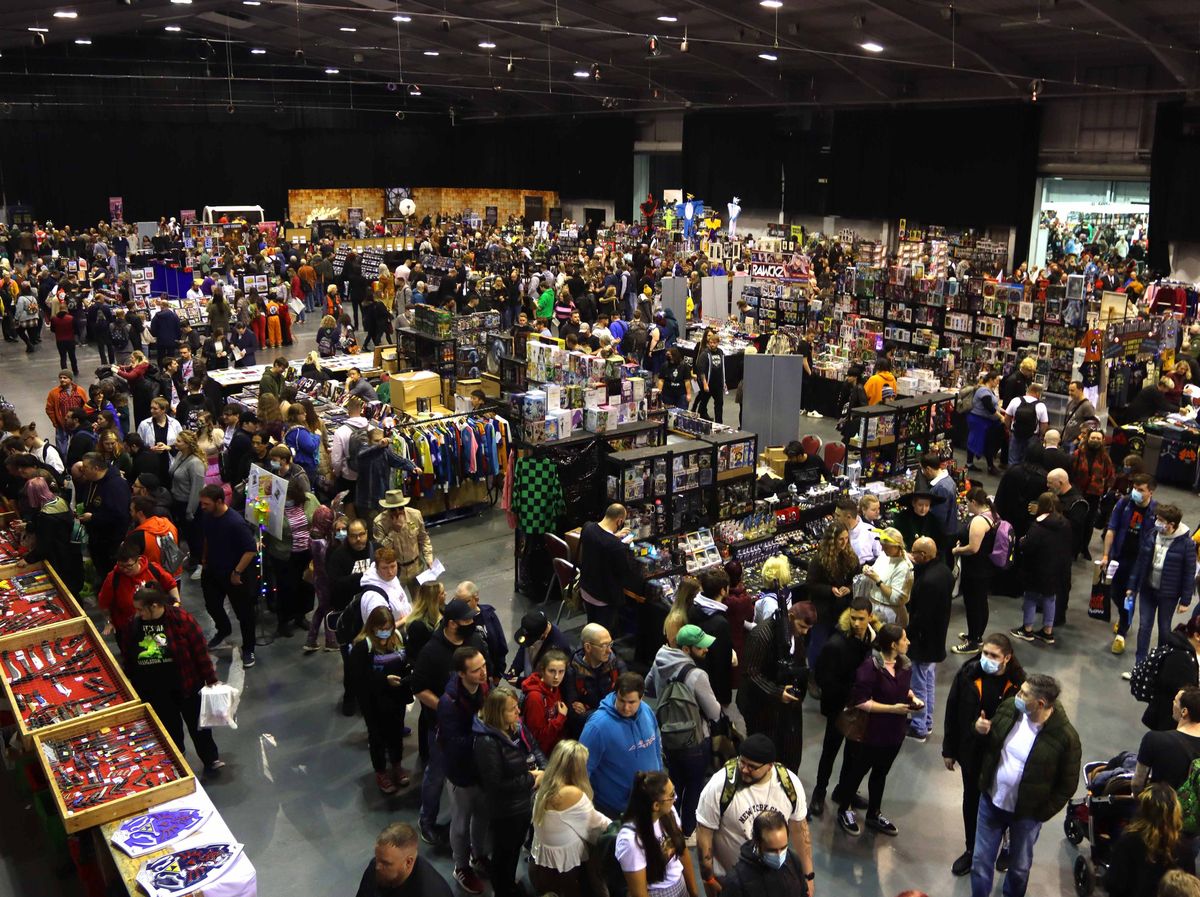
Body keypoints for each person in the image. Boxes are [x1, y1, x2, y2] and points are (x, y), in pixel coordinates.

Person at [969, 673, 1082, 897]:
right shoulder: (1009, 708)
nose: (1017, 695)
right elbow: (990, 745)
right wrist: (980, 730)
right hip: (991, 802)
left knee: (1019, 869)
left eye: (1023, 694)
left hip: (1026, 816)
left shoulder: (1066, 738)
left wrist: (1041, 813)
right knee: (980, 862)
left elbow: (1067, 785)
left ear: (1040, 703)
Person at [943, 633, 1026, 876]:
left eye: (994, 656)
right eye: (984, 653)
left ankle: (1006, 847)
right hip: (971, 754)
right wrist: (949, 749)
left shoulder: (1019, 686)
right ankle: (971, 849)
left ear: (1007, 658)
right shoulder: (968, 675)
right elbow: (952, 710)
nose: (987, 659)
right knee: (971, 802)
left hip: (1003, 760)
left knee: (1003, 805)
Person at [118, 584, 224, 775]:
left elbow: (199, 652)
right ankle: (177, 761)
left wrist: (211, 680)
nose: (138, 614)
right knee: (168, 729)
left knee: (199, 726)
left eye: (141, 609)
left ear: (155, 605)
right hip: (155, 690)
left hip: (187, 685)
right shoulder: (133, 625)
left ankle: (210, 759)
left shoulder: (181, 620)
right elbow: (128, 656)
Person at [411, 600, 490, 848]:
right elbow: (418, 687)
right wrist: (448, 710)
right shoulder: (431, 651)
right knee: (436, 774)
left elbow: (486, 675)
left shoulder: (474, 641)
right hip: (442, 727)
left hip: (475, 724)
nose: (472, 623)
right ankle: (427, 821)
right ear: (453, 624)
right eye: (467, 620)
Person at [834, 624, 920, 837]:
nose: (908, 642)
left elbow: (903, 688)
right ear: (893, 645)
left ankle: (874, 813)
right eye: (904, 639)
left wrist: (912, 697)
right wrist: (892, 709)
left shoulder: (904, 664)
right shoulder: (870, 668)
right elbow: (860, 701)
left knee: (881, 773)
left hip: (894, 733)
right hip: (870, 733)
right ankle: (844, 809)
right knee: (857, 772)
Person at [695, 735, 813, 888]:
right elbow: (704, 833)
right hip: (730, 881)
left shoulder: (790, 785)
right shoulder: (719, 786)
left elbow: (799, 830)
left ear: (769, 766)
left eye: (752, 766)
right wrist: (709, 879)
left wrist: (808, 876)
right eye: (742, 762)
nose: (744, 769)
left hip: (772, 880)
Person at [644, 624, 723, 837]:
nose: (705, 650)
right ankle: (688, 831)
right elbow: (714, 711)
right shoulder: (696, 675)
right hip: (695, 742)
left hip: (667, 737)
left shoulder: (660, 659)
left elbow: (648, 687)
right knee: (694, 786)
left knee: (674, 785)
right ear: (687, 649)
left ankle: (669, 827)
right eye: (700, 647)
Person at [473, 688, 547, 897]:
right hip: (506, 810)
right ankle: (503, 890)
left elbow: (535, 749)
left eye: (517, 707)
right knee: (503, 854)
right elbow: (495, 785)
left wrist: (544, 769)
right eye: (512, 709)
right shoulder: (487, 742)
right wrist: (531, 779)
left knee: (514, 849)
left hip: (523, 802)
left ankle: (509, 885)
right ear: (498, 713)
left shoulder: (517, 726)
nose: (518, 712)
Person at [810, 599, 875, 818]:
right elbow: (822, 677)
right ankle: (819, 792)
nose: (856, 623)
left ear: (870, 617)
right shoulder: (836, 643)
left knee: (853, 754)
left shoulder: (873, 639)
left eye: (861, 619)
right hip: (838, 707)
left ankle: (844, 791)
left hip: (860, 708)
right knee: (830, 751)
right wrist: (849, 694)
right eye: (853, 618)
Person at [438, 645, 491, 895]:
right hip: (460, 773)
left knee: (482, 816)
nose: (483, 672)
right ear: (461, 673)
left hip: (482, 769)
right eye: (476, 670)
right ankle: (461, 867)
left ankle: (478, 855)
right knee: (460, 824)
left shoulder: (483, 688)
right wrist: (485, 735)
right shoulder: (449, 703)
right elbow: (453, 743)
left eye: (484, 666)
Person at [530, 739, 612, 897]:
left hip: (541, 866)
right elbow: (598, 824)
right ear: (577, 768)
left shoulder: (546, 782)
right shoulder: (571, 794)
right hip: (564, 873)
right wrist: (623, 828)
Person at [580, 671, 664, 817]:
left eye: (631, 702)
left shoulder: (647, 711)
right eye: (621, 701)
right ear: (615, 694)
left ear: (641, 698)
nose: (626, 708)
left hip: (648, 802)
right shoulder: (597, 727)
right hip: (613, 810)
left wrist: (660, 781)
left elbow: (656, 748)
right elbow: (580, 770)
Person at [349, 605, 413, 795]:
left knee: (396, 733)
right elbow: (358, 677)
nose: (385, 632)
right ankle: (381, 773)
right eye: (381, 628)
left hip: (396, 697)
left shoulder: (398, 638)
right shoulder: (363, 646)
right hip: (373, 701)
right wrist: (384, 680)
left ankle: (397, 765)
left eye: (388, 628)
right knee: (377, 737)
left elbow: (405, 662)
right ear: (372, 627)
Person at [197, 484, 259, 668]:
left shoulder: (235, 523)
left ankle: (249, 649)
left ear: (219, 501)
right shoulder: (208, 516)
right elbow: (207, 537)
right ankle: (224, 628)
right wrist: (204, 558)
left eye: (206, 504)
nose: (202, 507)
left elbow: (250, 550)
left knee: (244, 614)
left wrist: (237, 572)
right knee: (212, 604)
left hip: (234, 575)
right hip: (212, 571)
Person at [1127, 503, 1197, 667]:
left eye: (1160, 520)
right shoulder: (1152, 535)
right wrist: (1132, 585)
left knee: (1164, 629)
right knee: (1144, 626)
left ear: (1171, 524)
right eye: (1157, 518)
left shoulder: (1186, 544)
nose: (1156, 522)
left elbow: (1189, 573)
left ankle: (1159, 664)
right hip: (1147, 589)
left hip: (1168, 594)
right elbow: (1140, 561)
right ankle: (1140, 664)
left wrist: (1185, 600)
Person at [617, 770, 700, 897]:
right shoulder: (630, 841)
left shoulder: (668, 812)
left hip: (679, 883)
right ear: (656, 806)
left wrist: (694, 892)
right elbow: (639, 893)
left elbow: (682, 850)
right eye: (672, 795)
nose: (675, 799)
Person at [1106, 783, 1196, 897]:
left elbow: (1113, 884)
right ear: (1175, 812)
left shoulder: (1128, 841)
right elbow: (1189, 888)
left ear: (1143, 810)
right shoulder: (1184, 845)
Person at [1103, 473, 1159, 655]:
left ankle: (1121, 634)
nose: (1136, 492)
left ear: (1150, 492)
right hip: (1118, 556)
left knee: (1130, 595)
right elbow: (1111, 529)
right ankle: (1123, 616)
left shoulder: (1156, 511)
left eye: (1140, 489)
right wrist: (1106, 555)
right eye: (1134, 488)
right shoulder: (1124, 503)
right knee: (1114, 592)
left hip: (1139, 562)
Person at [1010, 492, 1073, 646]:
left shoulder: (1038, 525)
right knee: (1050, 598)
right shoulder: (1065, 524)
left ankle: (1027, 629)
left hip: (1036, 569)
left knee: (1030, 597)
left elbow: (1027, 545)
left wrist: (1022, 541)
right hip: (1057, 569)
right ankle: (1047, 631)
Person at [907, 536, 953, 741]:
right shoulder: (944, 571)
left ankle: (919, 727)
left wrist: (907, 634)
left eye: (914, 552)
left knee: (918, 684)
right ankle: (926, 721)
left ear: (924, 555)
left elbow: (921, 616)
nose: (911, 554)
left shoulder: (928, 581)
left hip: (923, 641)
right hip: (936, 638)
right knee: (928, 681)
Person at [951, 488, 1001, 655]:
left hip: (976, 569)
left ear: (973, 502)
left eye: (967, 503)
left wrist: (957, 550)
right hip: (986, 568)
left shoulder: (979, 521)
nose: (967, 507)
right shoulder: (993, 515)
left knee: (973, 604)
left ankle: (973, 641)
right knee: (980, 602)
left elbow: (973, 548)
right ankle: (976, 635)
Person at [719, 809, 812, 897]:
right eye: (772, 850)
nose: (779, 855)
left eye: (783, 848)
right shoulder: (736, 882)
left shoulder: (793, 860)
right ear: (757, 843)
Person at [98, 539, 180, 636]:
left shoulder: (153, 569)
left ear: (138, 560)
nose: (125, 570)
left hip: (158, 624)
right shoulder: (113, 578)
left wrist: (177, 604)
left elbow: (171, 585)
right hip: (128, 629)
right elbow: (104, 603)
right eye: (121, 566)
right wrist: (108, 622)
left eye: (129, 566)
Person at [16, 476, 82, 596]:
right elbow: (50, 526)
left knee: (65, 588)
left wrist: (28, 559)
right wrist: (27, 526)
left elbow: (44, 545)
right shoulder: (59, 500)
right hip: (70, 550)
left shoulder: (46, 516)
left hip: (59, 556)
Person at [356, 822, 452, 897]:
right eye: (377, 858)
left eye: (386, 863)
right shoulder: (376, 867)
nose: (377, 867)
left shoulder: (433, 892)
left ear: (408, 862)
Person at [1139, 616, 1200, 732]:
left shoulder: (1191, 653)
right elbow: (1181, 694)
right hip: (1171, 721)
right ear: (1197, 636)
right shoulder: (1180, 657)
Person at [1133, 686, 1200, 792]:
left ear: (1184, 711)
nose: (1173, 703)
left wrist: (1139, 799)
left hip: (1161, 801)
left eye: (1175, 701)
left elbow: (1137, 784)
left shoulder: (1154, 739)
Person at [578, 503, 633, 630]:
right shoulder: (615, 545)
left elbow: (599, 540)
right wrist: (623, 546)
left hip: (586, 589)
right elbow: (623, 572)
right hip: (603, 597)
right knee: (604, 633)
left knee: (591, 627)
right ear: (619, 521)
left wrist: (614, 536)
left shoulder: (587, 527)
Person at [78, 451, 132, 576]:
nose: (82, 469)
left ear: (96, 468)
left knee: (109, 572)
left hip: (110, 541)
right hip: (96, 537)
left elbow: (120, 515)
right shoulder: (92, 480)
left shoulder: (116, 486)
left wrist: (93, 518)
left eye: (85, 467)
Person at [689, 568, 736, 707]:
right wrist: (725, 698)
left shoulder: (693, 608)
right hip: (714, 685)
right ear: (723, 591)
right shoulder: (720, 624)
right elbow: (722, 664)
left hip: (697, 675)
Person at [372, 491, 433, 595]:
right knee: (396, 601)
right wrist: (394, 532)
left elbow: (423, 538)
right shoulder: (379, 522)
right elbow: (381, 551)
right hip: (395, 570)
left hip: (416, 567)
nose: (397, 512)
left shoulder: (415, 515)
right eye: (393, 509)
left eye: (400, 508)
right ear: (387, 508)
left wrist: (429, 558)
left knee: (420, 601)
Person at [1071, 429, 1115, 558]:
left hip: (1094, 495)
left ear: (1102, 440)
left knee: (1089, 522)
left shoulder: (1105, 457)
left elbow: (1110, 475)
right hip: (1078, 493)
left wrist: (1105, 489)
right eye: (1093, 437)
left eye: (1098, 438)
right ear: (1088, 438)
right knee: (1077, 522)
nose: (1095, 440)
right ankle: (1074, 548)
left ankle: (1085, 548)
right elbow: (1071, 471)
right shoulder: (1078, 453)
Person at [303, 506, 338, 653]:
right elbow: (326, 563)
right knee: (328, 609)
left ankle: (311, 640)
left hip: (318, 578)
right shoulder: (321, 543)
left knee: (321, 608)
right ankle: (330, 641)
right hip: (324, 579)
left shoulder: (313, 536)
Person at [523, 649, 571, 757]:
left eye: (561, 672)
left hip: (556, 749)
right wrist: (561, 717)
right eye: (552, 671)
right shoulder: (535, 697)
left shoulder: (554, 688)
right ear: (542, 670)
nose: (556, 677)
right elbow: (537, 737)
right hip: (543, 756)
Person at [863, 528, 913, 626]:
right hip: (874, 607)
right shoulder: (884, 555)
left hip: (891, 613)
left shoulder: (904, 567)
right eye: (882, 546)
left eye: (886, 547)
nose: (882, 549)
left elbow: (896, 598)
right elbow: (875, 570)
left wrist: (878, 580)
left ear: (897, 546)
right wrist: (868, 569)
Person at [330, 395, 370, 509]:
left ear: (348, 410)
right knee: (365, 505)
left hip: (348, 476)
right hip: (367, 474)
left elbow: (336, 461)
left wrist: (337, 473)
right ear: (361, 409)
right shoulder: (371, 428)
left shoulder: (340, 432)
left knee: (349, 505)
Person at [510, 608, 571, 681]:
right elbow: (524, 648)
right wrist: (514, 671)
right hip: (529, 680)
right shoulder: (533, 628)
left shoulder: (560, 647)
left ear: (543, 634)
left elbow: (554, 680)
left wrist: (521, 682)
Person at [1003, 381, 1049, 466]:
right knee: (1028, 461)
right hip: (1032, 436)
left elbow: (1007, 417)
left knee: (1013, 459)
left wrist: (1009, 430)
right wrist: (1040, 435)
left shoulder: (1015, 400)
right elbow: (1044, 424)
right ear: (1038, 393)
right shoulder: (1041, 405)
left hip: (1016, 433)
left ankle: (1012, 472)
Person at [966, 370, 1003, 473]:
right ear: (991, 380)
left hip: (984, 421)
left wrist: (1004, 411)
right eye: (996, 380)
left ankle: (988, 465)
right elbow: (989, 408)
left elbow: (994, 406)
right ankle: (969, 464)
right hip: (978, 420)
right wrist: (1001, 417)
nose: (998, 383)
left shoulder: (988, 390)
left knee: (984, 442)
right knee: (974, 442)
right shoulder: (983, 391)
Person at [44, 370, 88, 457]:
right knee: (61, 450)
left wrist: (83, 421)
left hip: (77, 424)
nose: (62, 380)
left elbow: (85, 406)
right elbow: (49, 409)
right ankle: (62, 463)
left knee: (78, 446)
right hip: (62, 425)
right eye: (60, 378)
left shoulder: (80, 391)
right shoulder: (54, 393)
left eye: (65, 378)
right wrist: (55, 422)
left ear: (71, 379)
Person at [892, 492, 945, 561]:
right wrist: (905, 554)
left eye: (927, 505)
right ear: (913, 503)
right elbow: (894, 540)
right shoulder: (901, 519)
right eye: (920, 505)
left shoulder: (933, 520)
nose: (923, 509)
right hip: (907, 559)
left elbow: (940, 545)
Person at [922, 453, 958, 548]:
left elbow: (939, 517)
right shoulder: (948, 480)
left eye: (923, 470)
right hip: (949, 530)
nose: (923, 473)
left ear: (928, 469)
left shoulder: (941, 488)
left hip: (942, 535)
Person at [834, 496, 880, 565]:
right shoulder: (834, 531)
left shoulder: (871, 532)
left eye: (838, 516)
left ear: (848, 517)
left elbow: (881, 557)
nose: (835, 518)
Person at [693, 329, 726, 423]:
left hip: (718, 384)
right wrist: (704, 384)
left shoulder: (720, 352)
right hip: (708, 383)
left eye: (714, 343)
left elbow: (723, 368)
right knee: (703, 403)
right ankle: (699, 421)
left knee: (719, 404)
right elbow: (701, 370)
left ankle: (719, 423)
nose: (712, 344)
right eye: (710, 342)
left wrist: (724, 382)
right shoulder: (705, 354)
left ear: (718, 343)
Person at [1062, 380, 1097, 447]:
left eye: (1072, 390)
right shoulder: (1070, 403)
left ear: (1080, 390)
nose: (1070, 393)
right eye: (1069, 390)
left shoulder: (1087, 406)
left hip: (1076, 443)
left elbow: (1091, 427)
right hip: (1066, 440)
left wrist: (1078, 439)